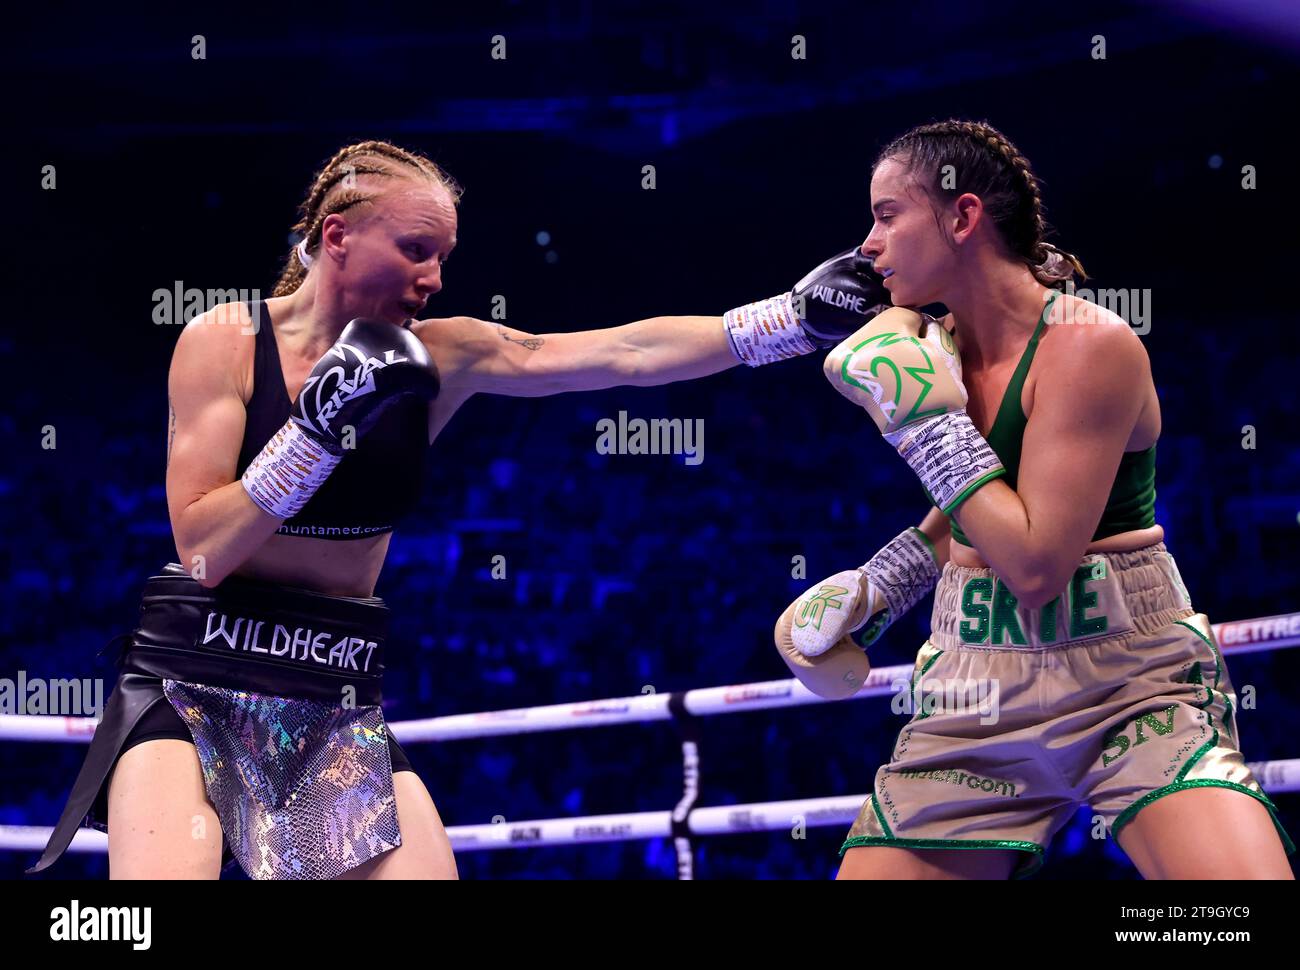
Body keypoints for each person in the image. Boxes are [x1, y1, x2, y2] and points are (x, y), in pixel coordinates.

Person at [29, 139, 883, 880]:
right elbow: (205, 549)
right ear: (338, 237)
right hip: (193, 679)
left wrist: (788, 322)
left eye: (443, 256)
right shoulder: (222, 341)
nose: (434, 279)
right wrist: (316, 433)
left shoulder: (436, 357)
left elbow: (619, 353)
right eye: (415, 250)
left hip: (328, 689)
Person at [776, 119, 1295, 879]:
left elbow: (1035, 563)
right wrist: (883, 585)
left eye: (887, 215)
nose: (867, 245)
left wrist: (921, 420)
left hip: (1125, 685)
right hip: (972, 688)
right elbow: (981, 504)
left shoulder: (1091, 345)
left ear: (962, 216)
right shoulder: (937, 346)